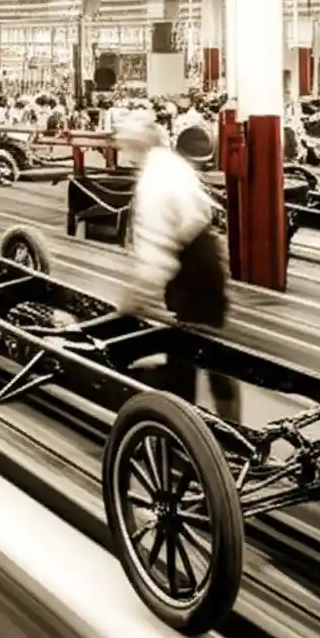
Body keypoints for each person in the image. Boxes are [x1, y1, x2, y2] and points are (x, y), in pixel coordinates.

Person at [113, 111, 239, 422]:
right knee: (214, 354)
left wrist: (132, 301)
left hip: (190, 271)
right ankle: (232, 432)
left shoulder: (152, 183)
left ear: (133, 146)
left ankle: (184, 435)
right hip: (208, 259)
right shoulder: (170, 162)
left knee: (184, 357)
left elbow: (157, 253)